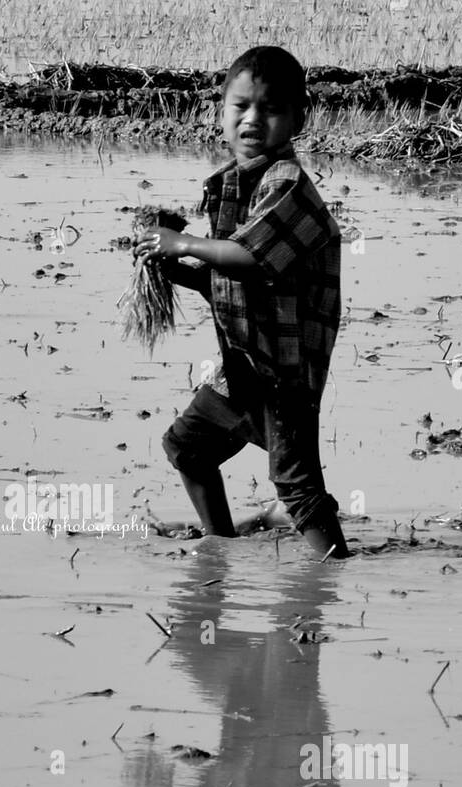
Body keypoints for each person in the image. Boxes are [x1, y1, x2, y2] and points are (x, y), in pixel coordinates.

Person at [134, 45, 350, 559]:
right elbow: (227, 278)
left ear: (299, 117)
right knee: (187, 447)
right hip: (244, 367)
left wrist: (181, 244)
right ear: (221, 110)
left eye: (270, 109)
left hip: (284, 375)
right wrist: (177, 271)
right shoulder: (236, 184)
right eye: (240, 106)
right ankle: (219, 544)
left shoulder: (289, 186)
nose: (253, 119)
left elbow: (249, 258)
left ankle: (335, 572)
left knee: (296, 486)